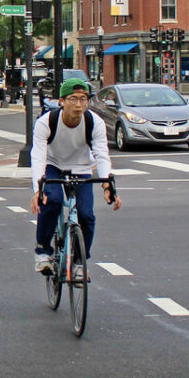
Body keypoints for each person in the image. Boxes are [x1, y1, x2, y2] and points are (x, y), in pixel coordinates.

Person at [29, 78, 121, 280]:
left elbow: (101, 153)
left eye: (83, 99)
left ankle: (80, 262)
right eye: (73, 99)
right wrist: (38, 189)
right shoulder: (47, 121)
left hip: (81, 167)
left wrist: (107, 183)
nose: (79, 104)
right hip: (52, 165)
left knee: (87, 215)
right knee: (51, 201)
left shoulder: (94, 122)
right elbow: (38, 156)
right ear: (61, 101)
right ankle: (43, 251)